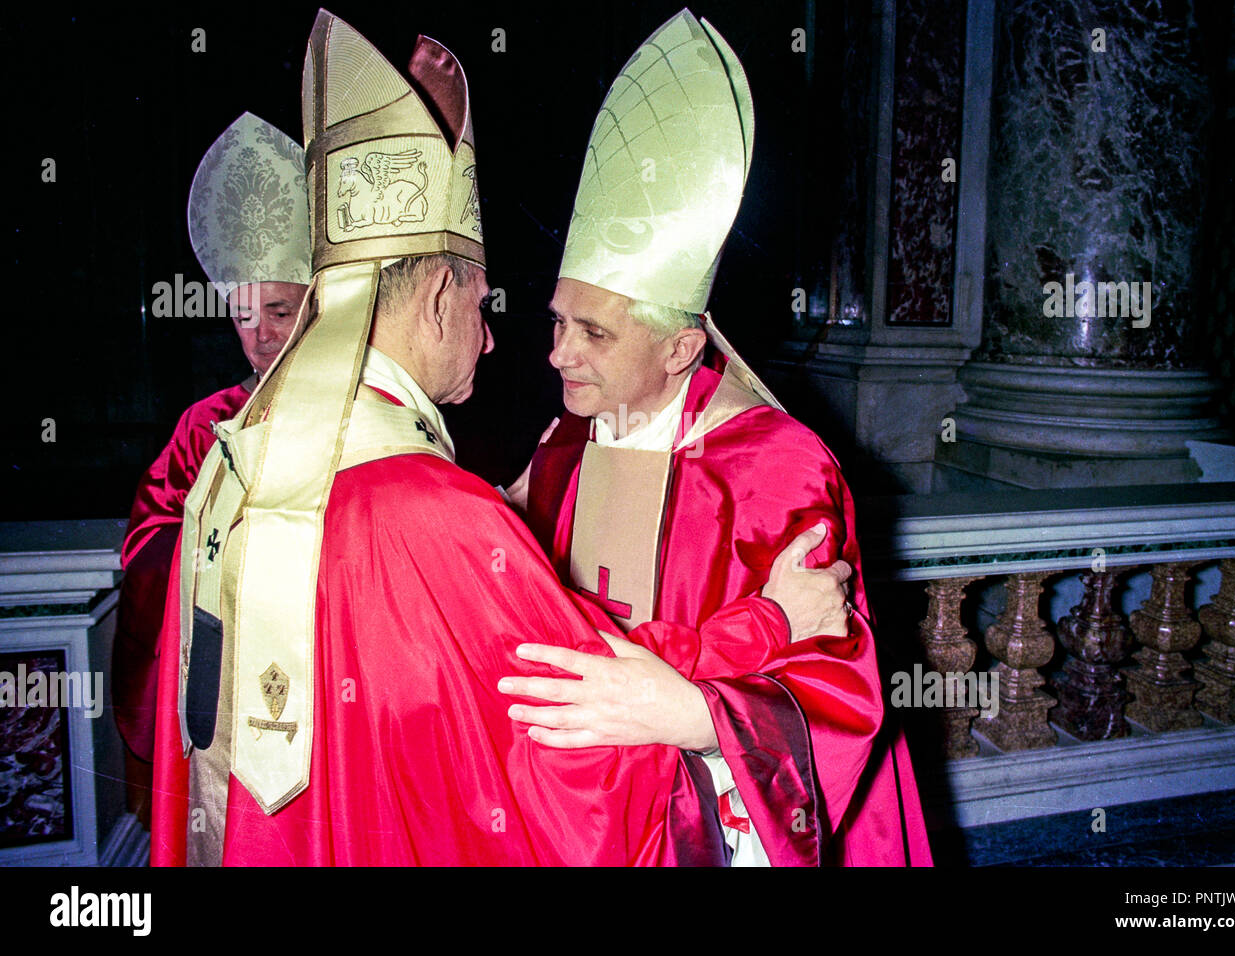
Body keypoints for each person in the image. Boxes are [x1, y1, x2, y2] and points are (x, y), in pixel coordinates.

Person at [149, 12, 848, 866]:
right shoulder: (432, 508)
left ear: (679, 347)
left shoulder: (235, 458)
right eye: (487, 308)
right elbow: (579, 738)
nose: (503, 343)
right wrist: (763, 629)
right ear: (441, 294)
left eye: (591, 332)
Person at [504, 9, 932, 866]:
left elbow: (839, 686)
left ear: (680, 349)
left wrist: (693, 716)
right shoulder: (560, 445)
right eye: (557, 322)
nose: (557, 352)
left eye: (593, 332)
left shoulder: (775, 467)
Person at [113, 114, 309, 775]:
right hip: (224, 677)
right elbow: (147, 538)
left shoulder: (360, 415)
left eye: (279, 312)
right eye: (243, 315)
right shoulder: (206, 422)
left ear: (316, 305)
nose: (258, 335)